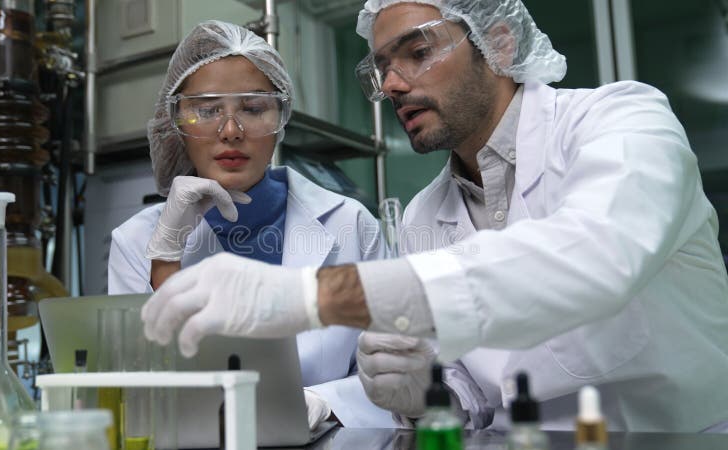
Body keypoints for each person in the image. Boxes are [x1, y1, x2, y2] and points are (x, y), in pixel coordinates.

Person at [140, 1, 728, 432]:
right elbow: (476, 388)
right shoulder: (425, 212)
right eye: (382, 68)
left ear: (498, 44)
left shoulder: (621, 120)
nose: (393, 85)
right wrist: (425, 390)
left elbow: (595, 255)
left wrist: (310, 294)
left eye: (419, 53)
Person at [107, 20, 396, 429]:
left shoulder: (351, 225)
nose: (231, 131)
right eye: (206, 110)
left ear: (282, 116)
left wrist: (324, 402)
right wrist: (165, 263)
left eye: (254, 108)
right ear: (175, 122)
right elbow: (137, 393)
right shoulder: (136, 242)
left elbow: (398, 375)